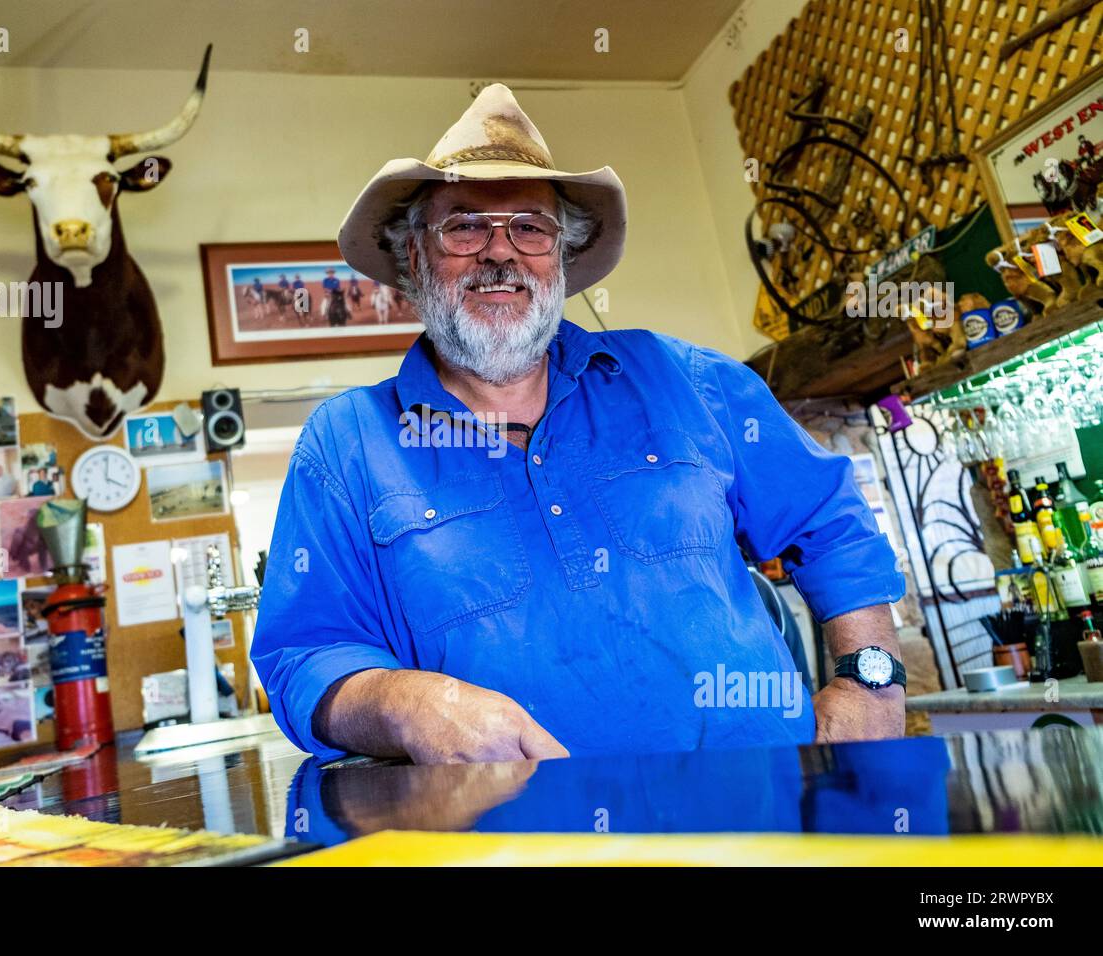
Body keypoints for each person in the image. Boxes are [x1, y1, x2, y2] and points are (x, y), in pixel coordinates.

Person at [252, 85, 906, 765]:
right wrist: (406, 704)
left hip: (758, 824)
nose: (499, 252)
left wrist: (873, 681)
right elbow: (304, 657)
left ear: (560, 257)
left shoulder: (685, 380)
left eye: (530, 227)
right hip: (515, 845)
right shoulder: (347, 444)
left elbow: (827, 518)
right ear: (415, 257)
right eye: (465, 225)